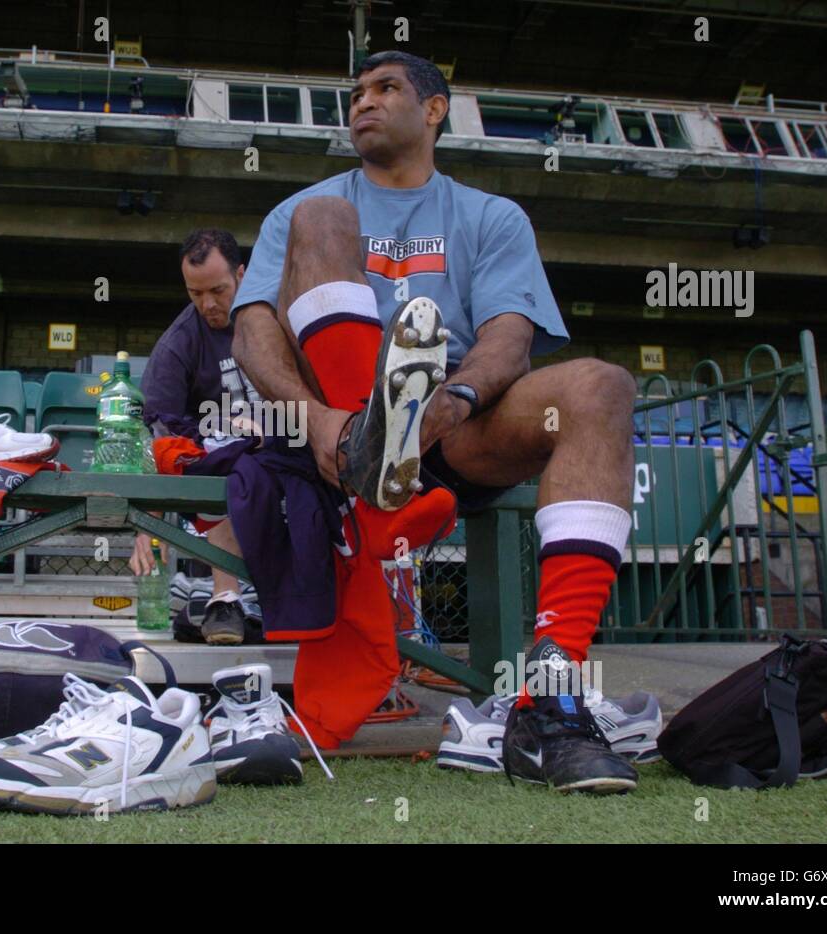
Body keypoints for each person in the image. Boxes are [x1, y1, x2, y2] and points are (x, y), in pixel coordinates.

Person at [231, 50, 640, 793]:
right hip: (332, 429)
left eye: (385, 89)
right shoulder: (302, 210)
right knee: (325, 216)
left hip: (449, 430)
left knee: (601, 387)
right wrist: (321, 419)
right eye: (355, 94)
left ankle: (550, 696)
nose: (362, 104)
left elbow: (509, 339)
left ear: (433, 110)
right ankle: (369, 448)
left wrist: (446, 405)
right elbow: (253, 332)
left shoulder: (490, 215)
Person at [133, 228, 263, 645]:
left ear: (242, 275)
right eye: (195, 293)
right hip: (224, 464)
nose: (208, 304)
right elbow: (160, 438)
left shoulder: (276, 313)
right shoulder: (179, 344)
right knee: (220, 460)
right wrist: (147, 529)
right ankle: (225, 599)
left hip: (290, 439)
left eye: (218, 290)